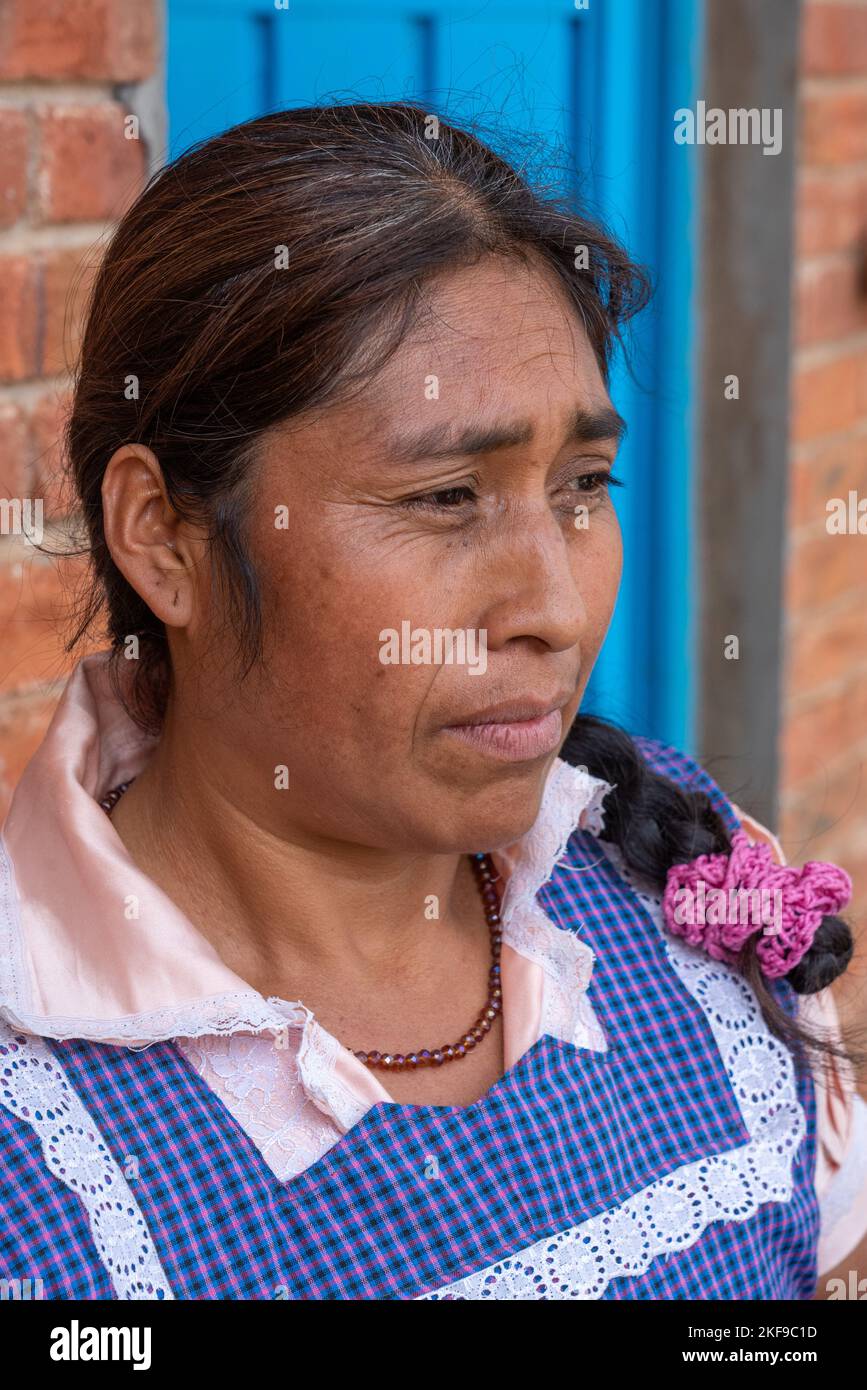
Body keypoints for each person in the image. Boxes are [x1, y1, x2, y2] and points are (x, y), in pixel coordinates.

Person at [0, 101, 864, 1301]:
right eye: (446, 497)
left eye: (582, 484)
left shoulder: (680, 879)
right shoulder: (43, 1163)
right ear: (165, 537)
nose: (554, 609)